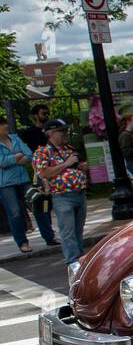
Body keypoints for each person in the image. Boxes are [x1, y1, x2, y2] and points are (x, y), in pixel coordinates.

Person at [33, 119, 90, 266]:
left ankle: (80, 258)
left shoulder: (69, 148)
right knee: (67, 230)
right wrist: (66, 164)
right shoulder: (43, 152)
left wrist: (81, 167)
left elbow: (74, 166)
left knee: (78, 229)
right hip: (62, 196)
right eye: (62, 131)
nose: (66, 133)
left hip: (80, 194)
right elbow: (44, 173)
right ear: (51, 133)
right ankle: (72, 261)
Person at [18, 102, 57, 246]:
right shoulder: (29, 133)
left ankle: (52, 234)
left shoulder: (51, 131)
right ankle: (49, 236)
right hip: (41, 173)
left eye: (47, 113)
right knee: (44, 204)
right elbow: (22, 150)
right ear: (35, 116)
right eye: (43, 113)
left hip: (56, 169)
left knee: (54, 203)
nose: (46, 116)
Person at [0, 118, 39, 253]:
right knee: (15, 213)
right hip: (6, 184)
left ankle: (49, 236)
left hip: (23, 179)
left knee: (38, 203)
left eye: (5, 123)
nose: (5, 126)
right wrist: (17, 157)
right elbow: (2, 162)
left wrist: (13, 159)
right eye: (1, 124)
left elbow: (29, 154)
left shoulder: (15, 138)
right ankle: (22, 242)